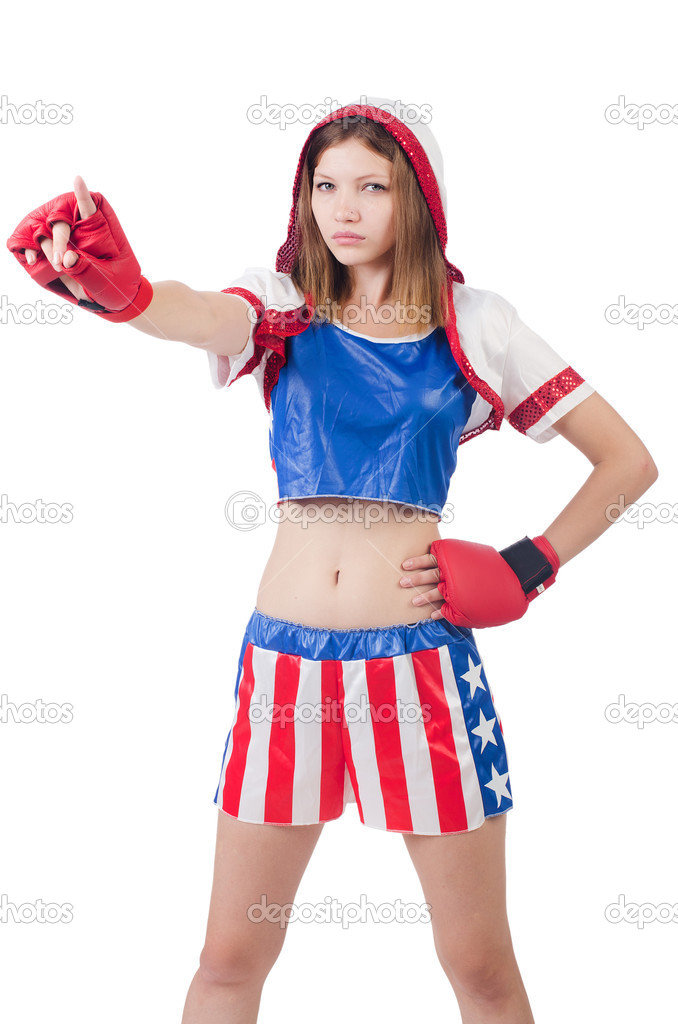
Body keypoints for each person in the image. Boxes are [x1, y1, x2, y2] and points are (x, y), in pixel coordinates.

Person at [7, 96, 658, 1024]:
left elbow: (629, 462)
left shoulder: (476, 323)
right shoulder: (283, 309)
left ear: (417, 199)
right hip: (284, 670)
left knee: (478, 966)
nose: (342, 207)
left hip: (420, 672)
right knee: (230, 956)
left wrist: (530, 561)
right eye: (324, 185)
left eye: (370, 186)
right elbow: (197, 316)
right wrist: (132, 296)